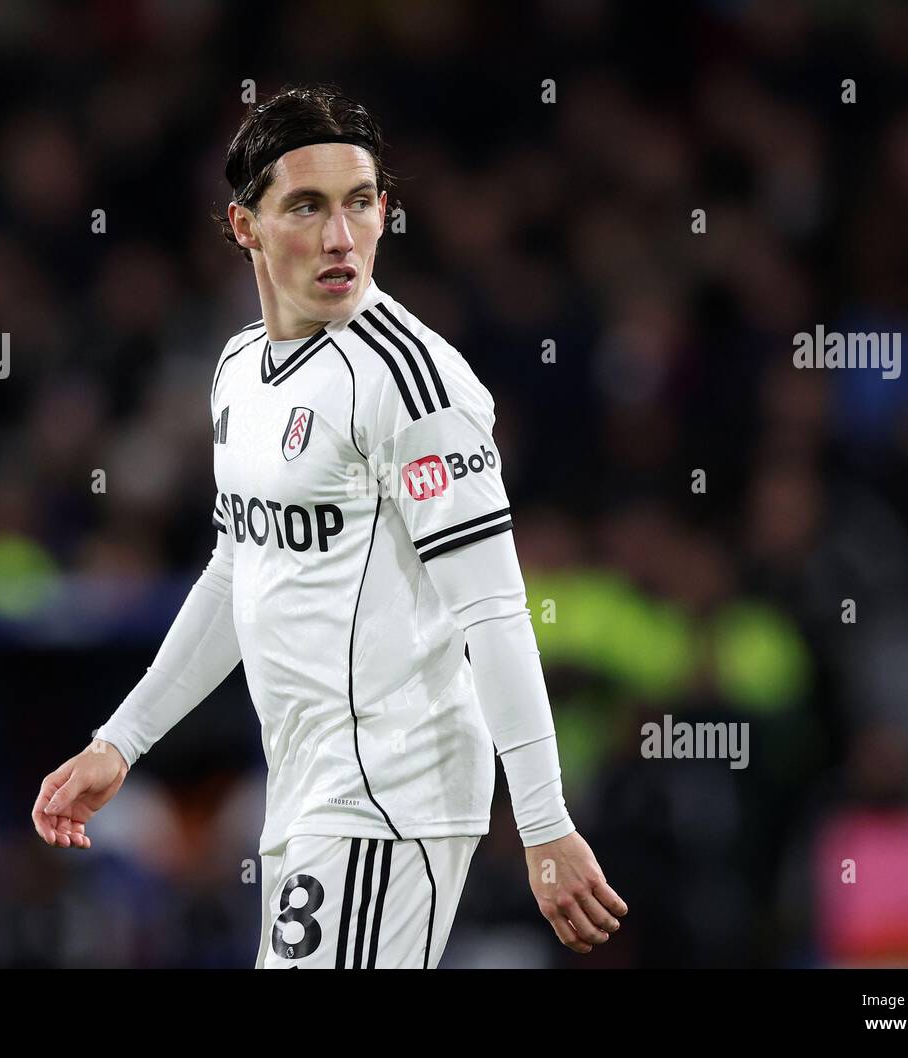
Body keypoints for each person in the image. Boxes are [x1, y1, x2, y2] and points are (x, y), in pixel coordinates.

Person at [32, 83, 627, 968]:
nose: (341, 237)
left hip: (392, 794)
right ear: (245, 227)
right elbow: (239, 571)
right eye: (306, 207)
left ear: (386, 212)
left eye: (359, 204)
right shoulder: (239, 369)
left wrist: (543, 823)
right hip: (309, 791)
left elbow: (496, 611)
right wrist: (121, 740)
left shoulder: (412, 383)